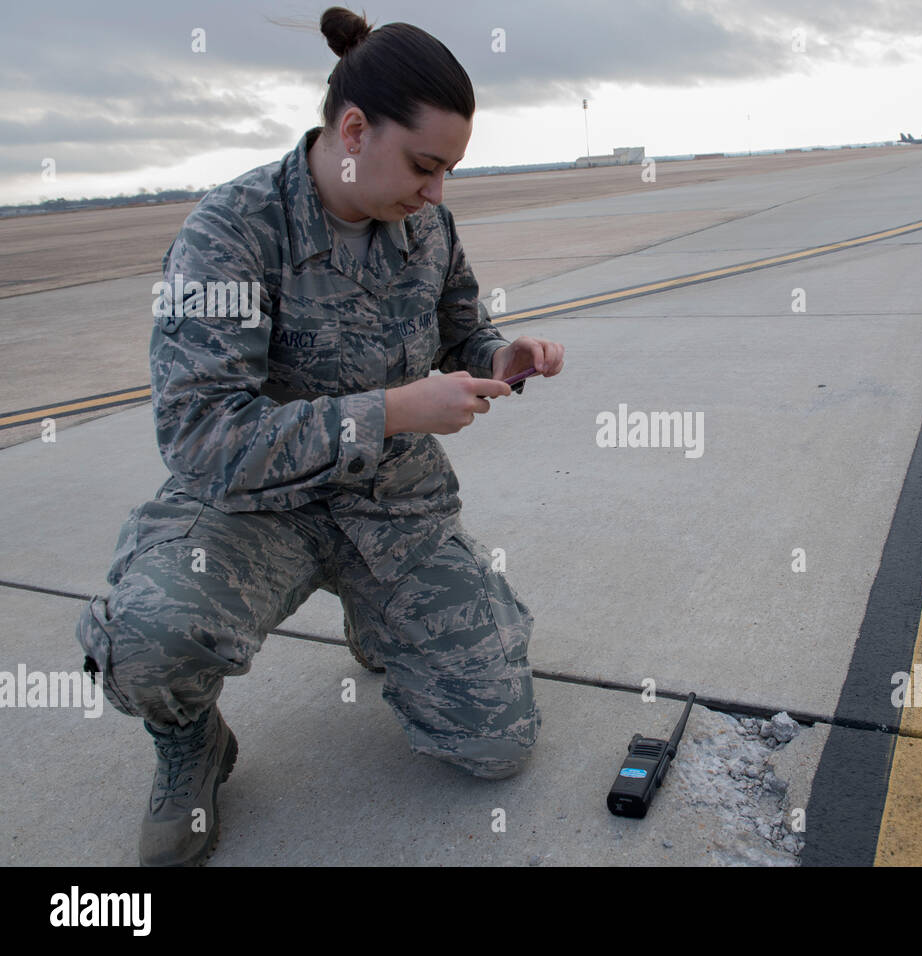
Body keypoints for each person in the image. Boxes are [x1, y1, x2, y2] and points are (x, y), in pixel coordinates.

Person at [75, 5, 564, 867]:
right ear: (352, 129)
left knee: (497, 746)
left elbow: (458, 327)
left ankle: (381, 623)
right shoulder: (230, 234)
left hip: (393, 508)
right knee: (153, 638)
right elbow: (200, 435)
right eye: (424, 165)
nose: (436, 192)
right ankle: (193, 745)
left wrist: (501, 352)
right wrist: (393, 412)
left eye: (449, 171)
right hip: (256, 511)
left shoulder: (428, 228)